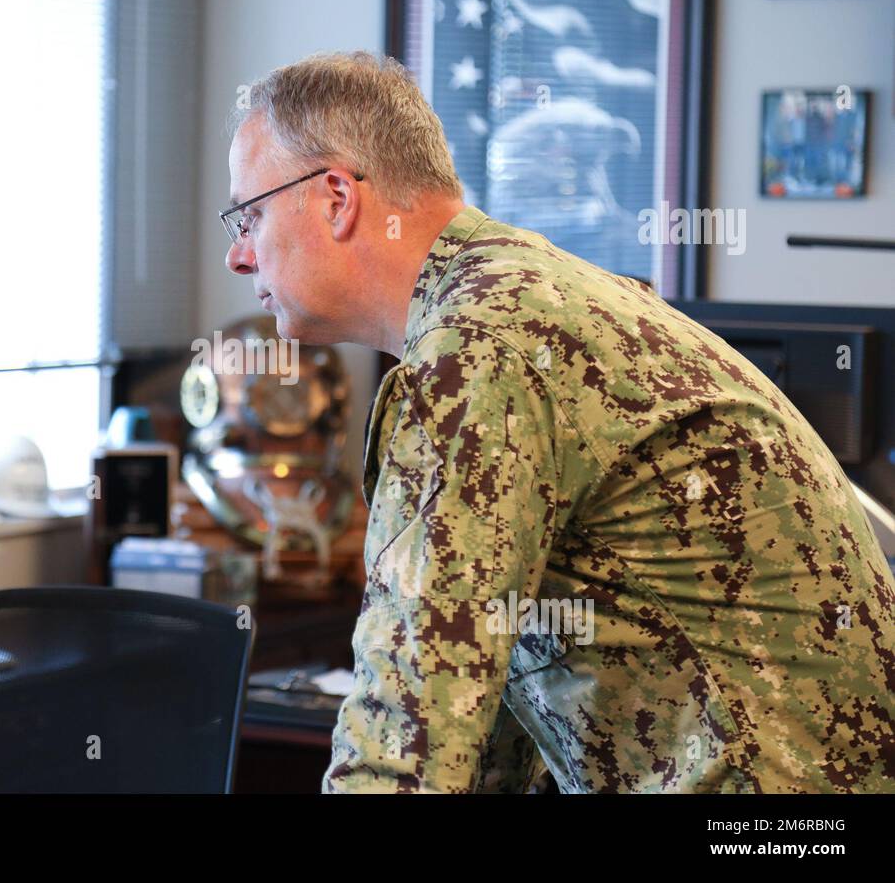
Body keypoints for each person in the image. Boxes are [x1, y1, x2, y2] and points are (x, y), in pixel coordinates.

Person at [222, 51, 895, 792]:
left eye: (249, 215)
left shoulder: (479, 349)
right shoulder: (529, 300)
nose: (237, 255)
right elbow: (483, 703)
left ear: (337, 198)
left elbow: (406, 735)